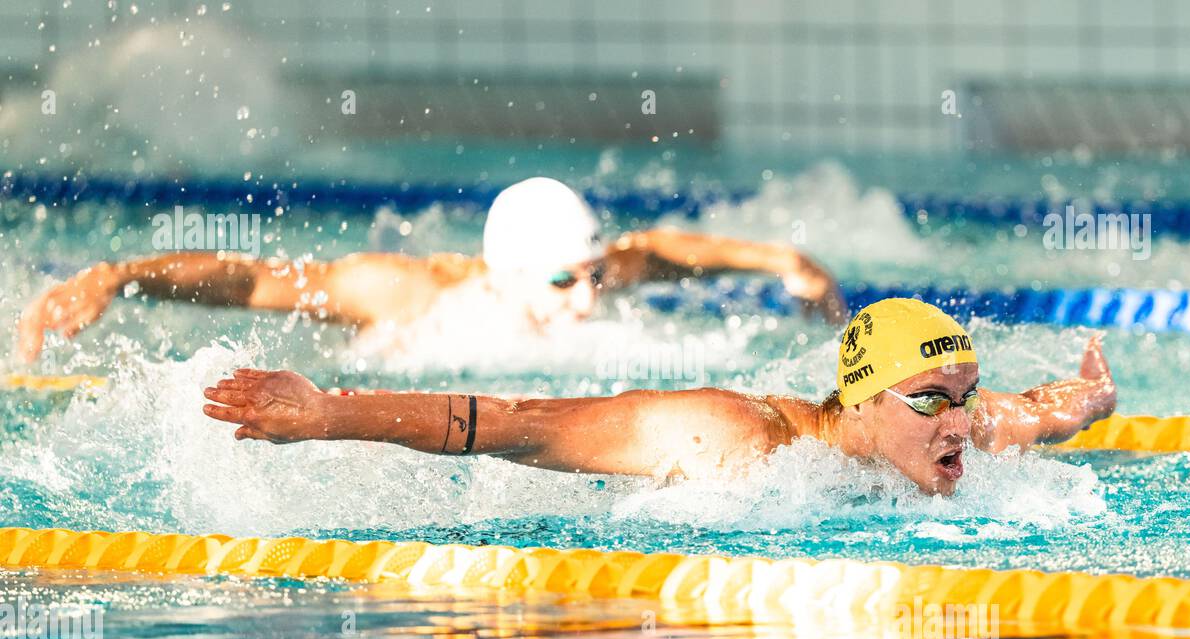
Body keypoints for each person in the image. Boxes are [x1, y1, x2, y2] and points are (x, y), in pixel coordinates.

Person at [199, 298, 1118, 496]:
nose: (959, 419)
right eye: (931, 400)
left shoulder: (961, 431)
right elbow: (520, 427)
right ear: (863, 398)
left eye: (966, 393)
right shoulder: (732, 437)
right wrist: (327, 415)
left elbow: (1044, 409)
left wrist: (1089, 397)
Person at [16, 177, 848, 362]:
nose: (591, 295)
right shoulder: (417, 294)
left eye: (596, 274)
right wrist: (120, 273)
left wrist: (781, 259)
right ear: (509, 272)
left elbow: (665, 251)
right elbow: (256, 281)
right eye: (567, 281)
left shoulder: (577, 278)